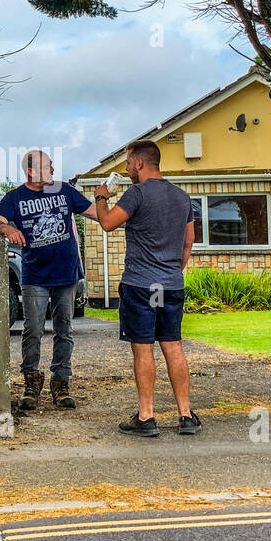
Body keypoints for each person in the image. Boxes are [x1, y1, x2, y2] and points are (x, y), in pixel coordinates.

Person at [92, 140, 202, 437]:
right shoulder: (181, 197)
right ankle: (185, 415)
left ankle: (146, 417)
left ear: (140, 163)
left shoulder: (136, 194)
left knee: (143, 350)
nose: (127, 169)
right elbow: (188, 242)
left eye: (128, 163)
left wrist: (101, 197)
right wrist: (174, 270)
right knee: (172, 345)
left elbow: (107, 223)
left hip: (141, 285)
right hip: (170, 285)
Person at [0, 150, 100, 410]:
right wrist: (7, 228)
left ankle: (61, 383)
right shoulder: (15, 197)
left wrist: (107, 202)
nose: (52, 169)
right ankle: (31, 382)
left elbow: (96, 214)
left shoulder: (64, 190)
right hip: (35, 276)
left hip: (66, 274)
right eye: (48, 166)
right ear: (31, 171)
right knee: (33, 329)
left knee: (64, 329)